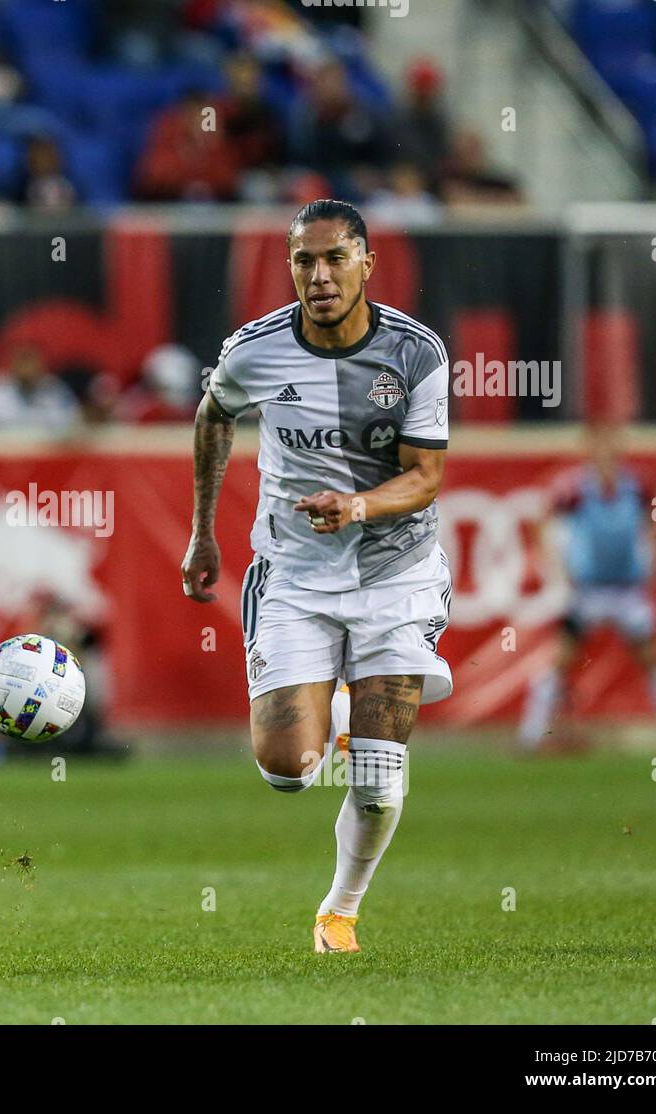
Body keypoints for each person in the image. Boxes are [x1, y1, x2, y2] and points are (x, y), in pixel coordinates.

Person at [181, 199, 452, 955]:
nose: (321, 274)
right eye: (305, 260)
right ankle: (332, 706)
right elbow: (213, 414)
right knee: (289, 769)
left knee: (376, 777)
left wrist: (360, 505)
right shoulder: (254, 349)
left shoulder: (416, 353)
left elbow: (426, 477)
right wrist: (203, 531)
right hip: (295, 576)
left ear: (368, 263)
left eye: (336, 258)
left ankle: (340, 911)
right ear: (290, 267)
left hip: (396, 577)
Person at [519, 423, 656, 753]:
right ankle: (530, 735)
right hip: (588, 591)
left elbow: (652, 525)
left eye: (611, 446)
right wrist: (557, 567)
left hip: (628, 590)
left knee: (655, 657)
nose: (606, 453)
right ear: (589, 449)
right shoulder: (575, 487)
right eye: (599, 446)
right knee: (561, 660)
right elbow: (542, 519)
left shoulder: (637, 485)